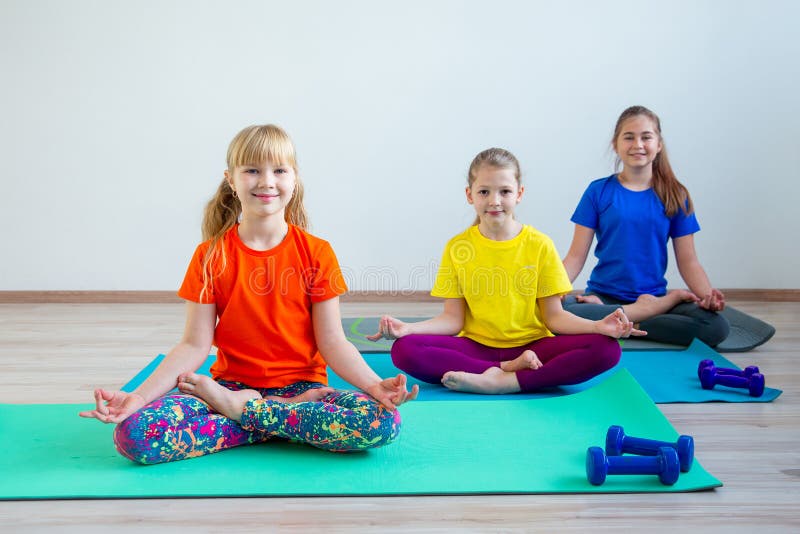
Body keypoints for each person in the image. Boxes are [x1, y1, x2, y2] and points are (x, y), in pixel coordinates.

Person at [80, 124, 417, 465]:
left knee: (381, 423)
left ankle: (245, 412)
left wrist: (375, 386)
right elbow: (194, 345)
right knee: (134, 435)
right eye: (252, 170)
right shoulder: (210, 255)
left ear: (294, 178)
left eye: (279, 170)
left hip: (304, 392)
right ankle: (273, 415)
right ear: (231, 179)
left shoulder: (317, 253)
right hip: (229, 388)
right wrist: (138, 397)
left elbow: (333, 342)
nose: (266, 181)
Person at [367, 148, 642, 395]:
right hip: (476, 347)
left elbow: (555, 318)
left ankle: (508, 382)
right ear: (469, 195)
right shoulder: (457, 247)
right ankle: (505, 368)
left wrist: (597, 326)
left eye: (505, 191)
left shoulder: (540, 245)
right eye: (484, 191)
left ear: (519, 194)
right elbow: (453, 320)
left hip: (534, 346)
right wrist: (408, 328)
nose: (494, 200)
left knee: (607, 350)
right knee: (404, 350)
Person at [562, 105, 729, 347]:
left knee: (716, 327)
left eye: (646, 137)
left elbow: (688, 261)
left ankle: (622, 322)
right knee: (556, 311)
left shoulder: (675, 194)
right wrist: (551, 292)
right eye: (629, 137)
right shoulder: (598, 191)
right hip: (602, 298)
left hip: (653, 297)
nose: (637, 144)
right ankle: (635, 316)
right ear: (615, 144)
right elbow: (575, 257)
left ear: (659, 144)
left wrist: (707, 297)